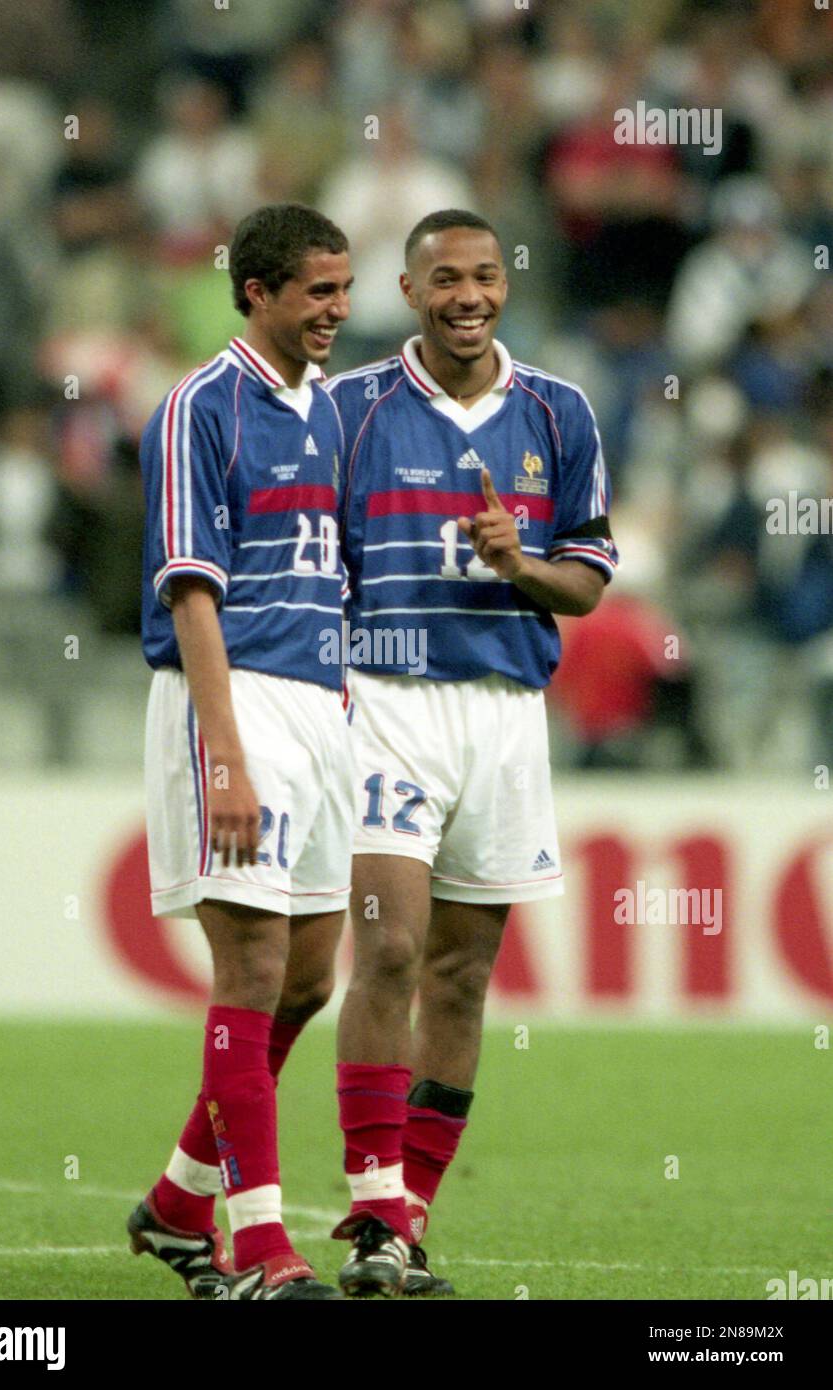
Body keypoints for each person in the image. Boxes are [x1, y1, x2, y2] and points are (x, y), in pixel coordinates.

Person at [325, 209, 618, 1296]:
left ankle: (407, 1222)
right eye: (445, 277)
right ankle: (366, 1205)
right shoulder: (349, 409)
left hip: (503, 710)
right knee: (390, 950)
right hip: (385, 698)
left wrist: (519, 564)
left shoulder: (559, 408)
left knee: (459, 974)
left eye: (486, 275)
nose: (468, 294)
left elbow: (585, 580)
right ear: (408, 290)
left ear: (507, 281)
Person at [129, 203, 353, 1301]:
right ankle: (261, 1248)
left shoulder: (331, 411)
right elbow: (190, 587)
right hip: (232, 696)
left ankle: (177, 1201)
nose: (338, 310)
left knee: (309, 979)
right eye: (317, 291)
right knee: (253, 968)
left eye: (344, 289)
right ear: (256, 292)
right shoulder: (196, 406)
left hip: (320, 702)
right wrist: (223, 750)